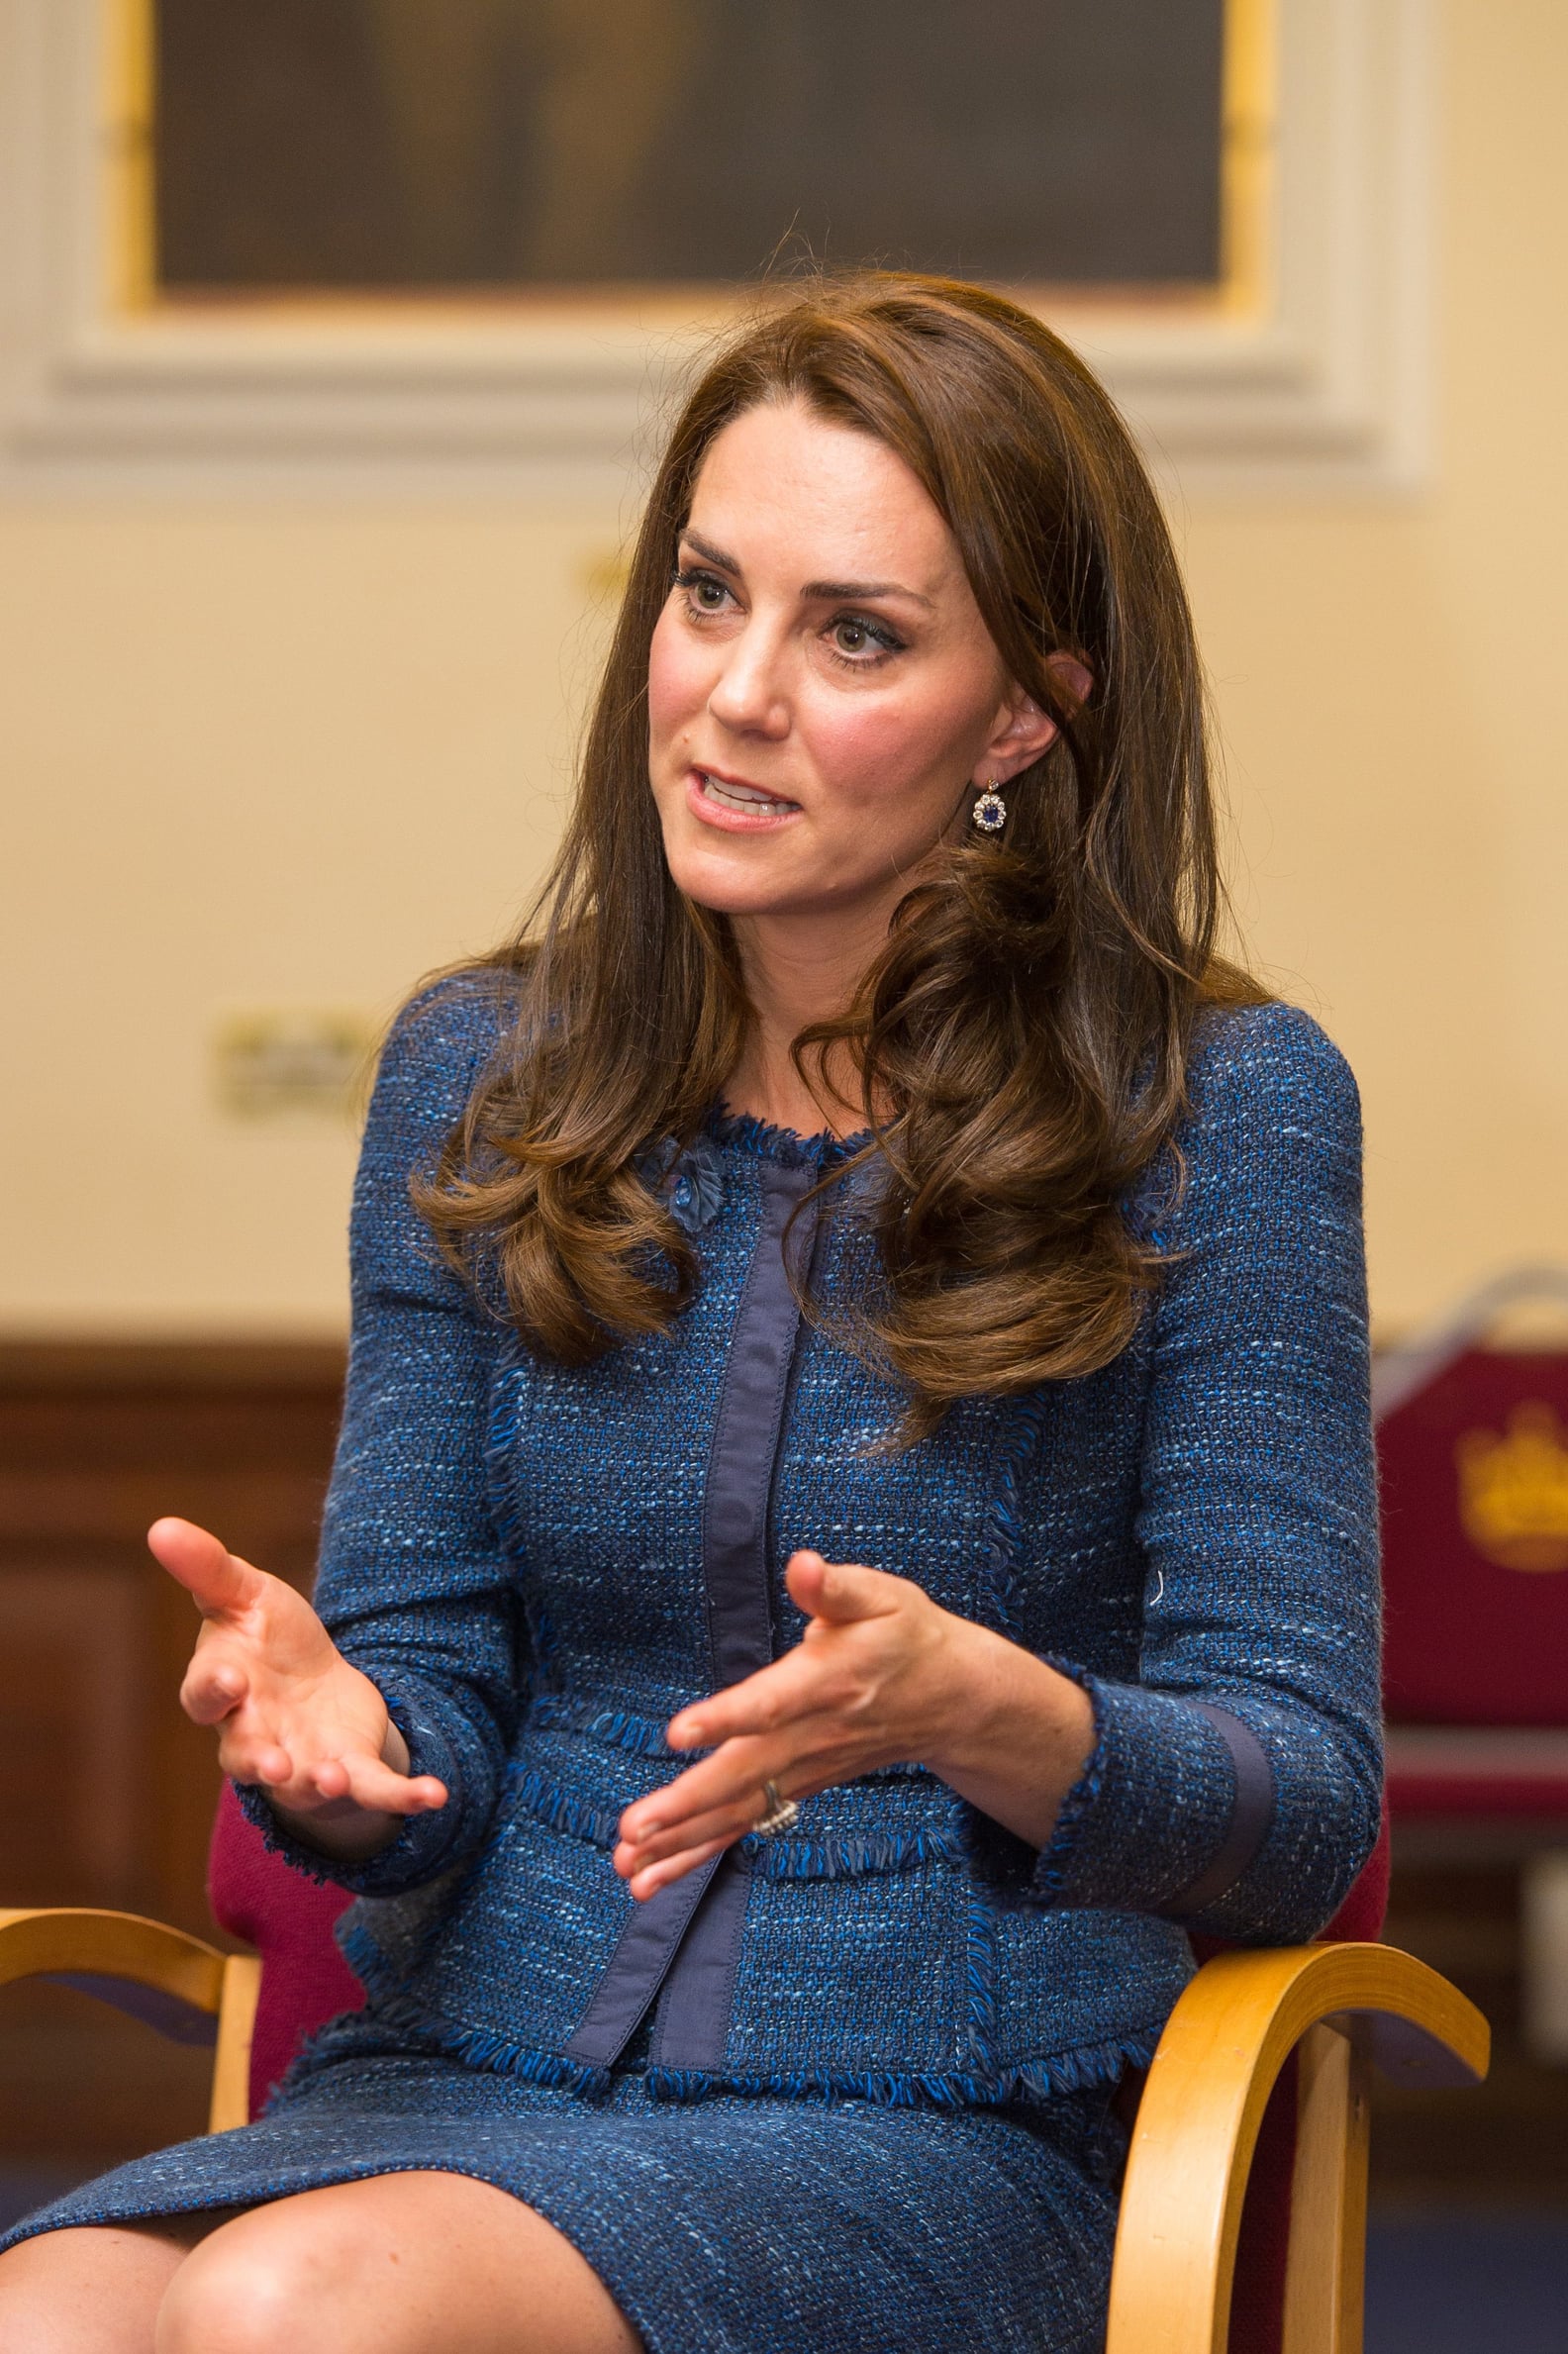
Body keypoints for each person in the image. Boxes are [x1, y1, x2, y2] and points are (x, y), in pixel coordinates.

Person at [0, 273, 1381, 2354]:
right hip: (466, 2068)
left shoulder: (1222, 1114)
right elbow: (430, 1693)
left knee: (301, 2312)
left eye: (856, 635)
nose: (733, 693)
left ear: (1025, 716)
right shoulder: (480, 1070)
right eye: (707, 593)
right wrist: (344, 1741)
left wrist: (986, 1708)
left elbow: (1304, 1796)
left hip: (939, 2119)